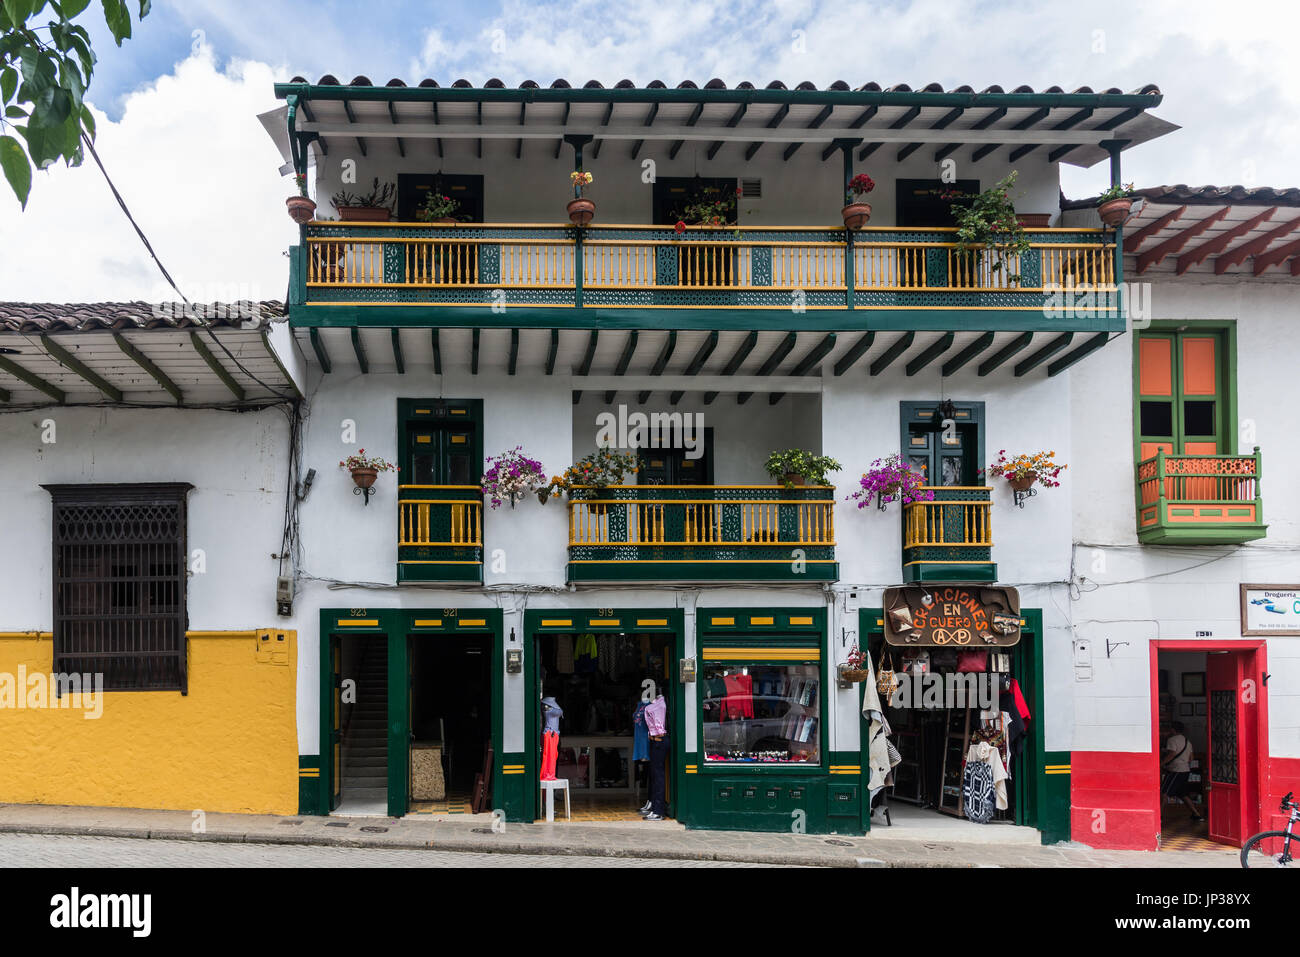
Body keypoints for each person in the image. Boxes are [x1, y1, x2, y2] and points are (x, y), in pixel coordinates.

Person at [1162, 720, 1203, 822]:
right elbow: (1191, 758)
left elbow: (1172, 754)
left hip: (1175, 770)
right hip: (1185, 771)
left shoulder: (1172, 740)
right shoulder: (1187, 741)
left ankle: (1160, 815)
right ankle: (1196, 814)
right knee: (1183, 794)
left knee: (1164, 792)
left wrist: (1161, 763)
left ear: (1172, 729)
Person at [643, 693, 669, 821]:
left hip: (659, 740)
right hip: (656, 740)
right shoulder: (659, 704)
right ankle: (655, 806)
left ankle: (658, 811)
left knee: (658, 776)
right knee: (655, 775)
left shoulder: (659, 705)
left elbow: (658, 727)